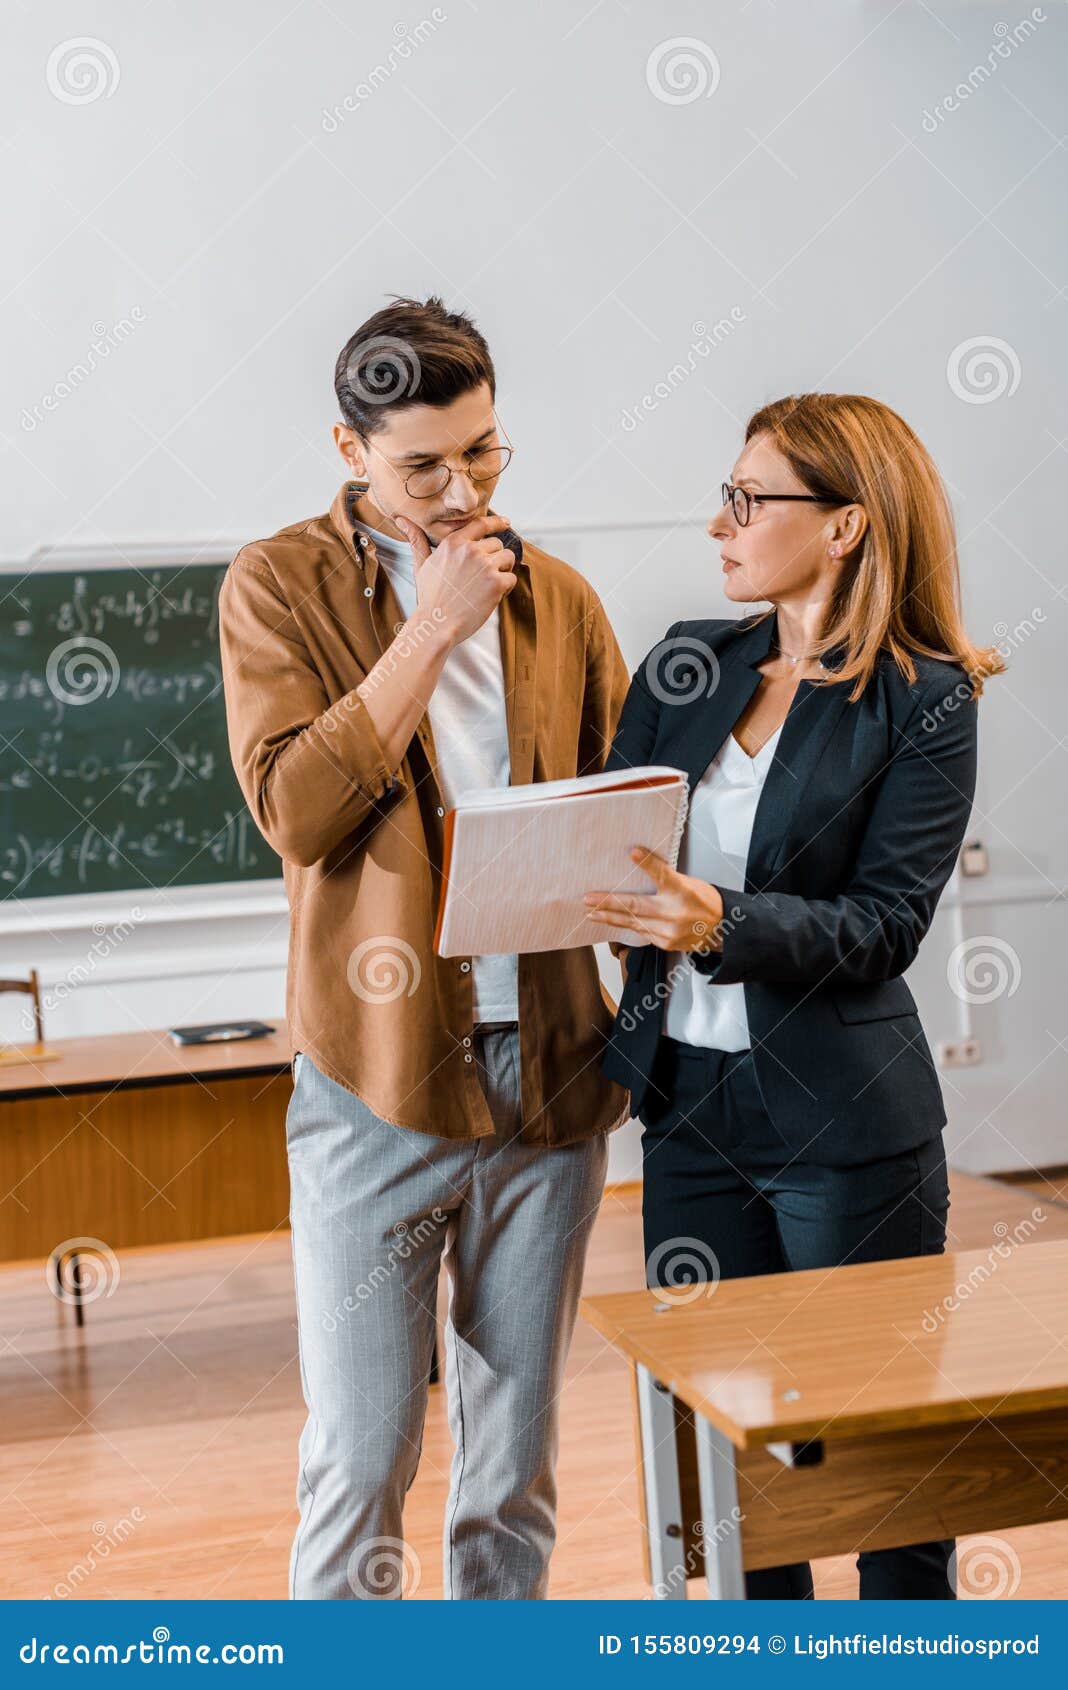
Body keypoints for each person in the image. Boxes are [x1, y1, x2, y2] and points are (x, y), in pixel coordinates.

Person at [218, 296, 631, 1599]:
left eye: (487, 453)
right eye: (423, 466)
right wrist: (429, 626)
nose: (463, 491)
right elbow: (296, 807)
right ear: (349, 445)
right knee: (362, 1453)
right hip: (375, 1077)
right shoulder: (274, 585)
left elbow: (620, 798)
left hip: (552, 1070)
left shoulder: (559, 597)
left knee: (511, 1474)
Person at [584, 392, 1004, 1600]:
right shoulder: (687, 662)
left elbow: (886, 928)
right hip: (691, 1113)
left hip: (845, 1126)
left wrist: (715, 921)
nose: (720, 523)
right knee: (730, 1457)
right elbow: (615, 847)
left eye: (748, 499)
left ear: (844, 526)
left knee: (880, 1461)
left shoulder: (925, 696)